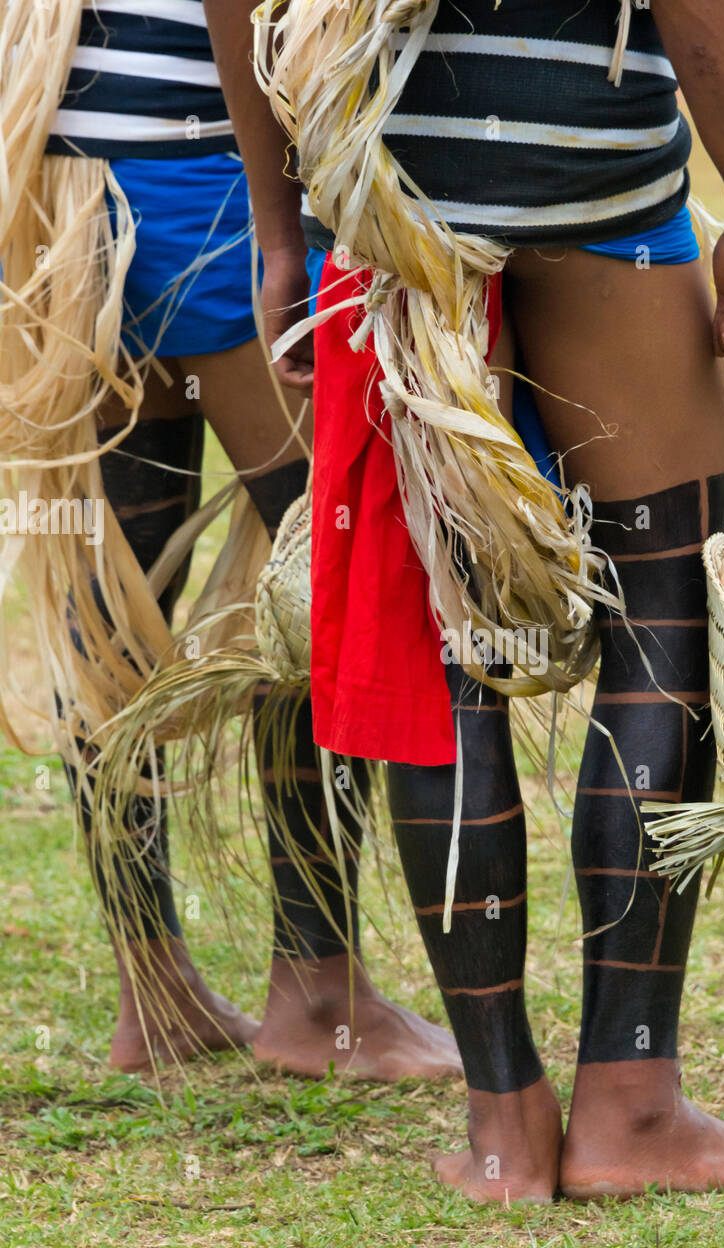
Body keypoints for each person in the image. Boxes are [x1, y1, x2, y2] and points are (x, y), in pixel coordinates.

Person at [208, 0, 724, 1200]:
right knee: (659, 618)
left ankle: (503, 1127)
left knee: (442, 643)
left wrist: (276, 218)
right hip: (593, 186)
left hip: (389, 198)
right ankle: (628, 1110)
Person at [0, 0, 460, 1082]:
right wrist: (281, 219)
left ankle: (152, 990)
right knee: (322, 570)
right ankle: (315, 990)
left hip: (75, 181)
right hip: (211, 184)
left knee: (112, 584)